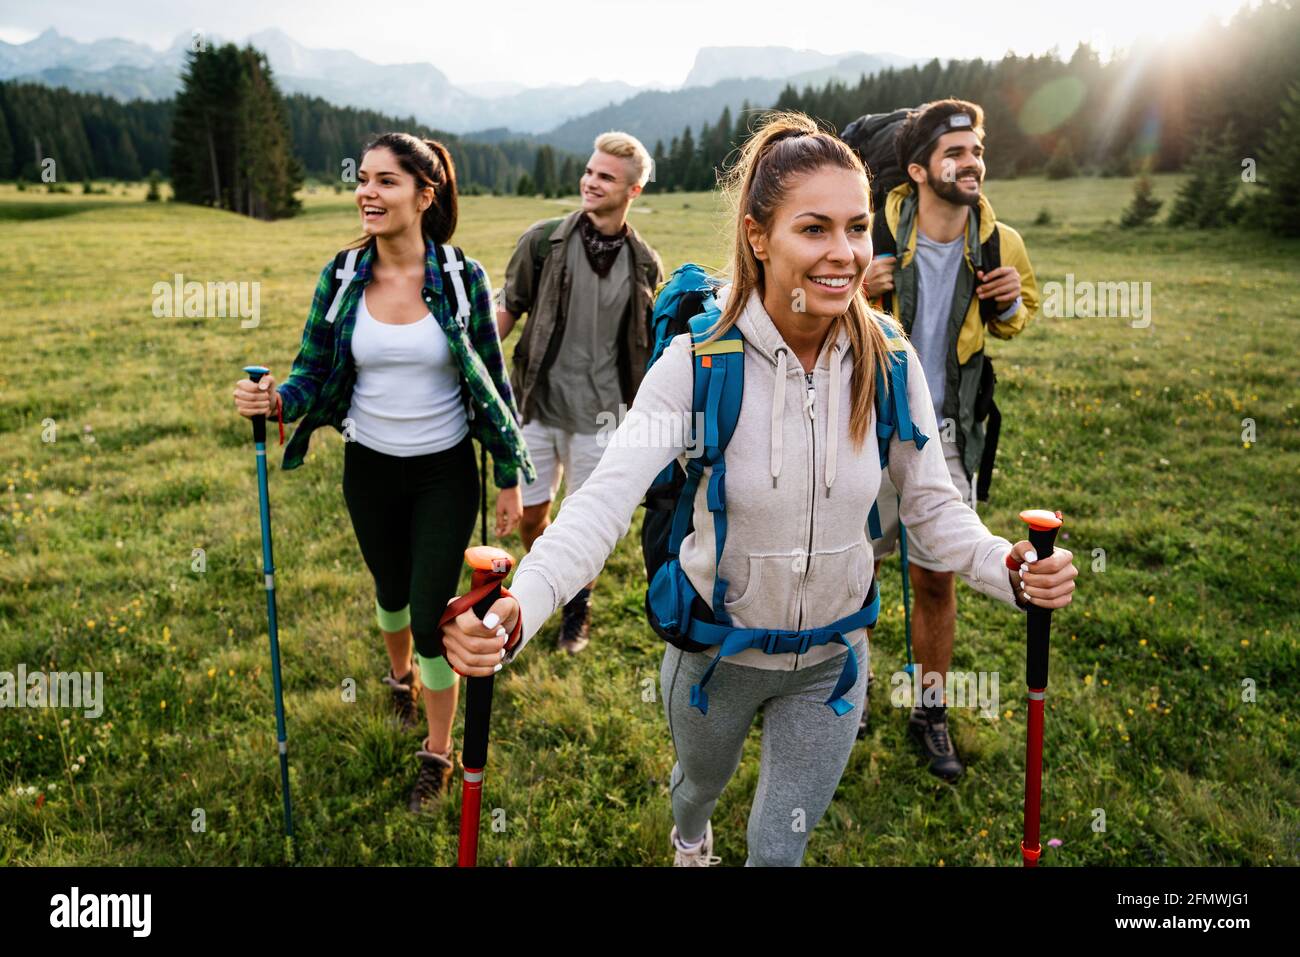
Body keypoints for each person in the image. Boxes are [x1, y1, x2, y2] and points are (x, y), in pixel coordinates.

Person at [442, 111, 1076, 867]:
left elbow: (933, 508)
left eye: (857, 227)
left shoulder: (890, 359)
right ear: (758, 237)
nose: (843, 253)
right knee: (696, 789)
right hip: (715, 660)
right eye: (814, 229)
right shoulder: (696, 363)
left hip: (833, 664)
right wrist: (520, 607)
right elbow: (601, 505)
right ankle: (690, 840)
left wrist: (1009, 567)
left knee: (779, 847)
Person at [231, 132, 534, 813]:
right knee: (390, 591)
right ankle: (400, 678)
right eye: (363, 179)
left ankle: (437, 752)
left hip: (444, 473)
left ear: (425, 195)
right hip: (368, 468)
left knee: (431, 616)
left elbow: (492, 380)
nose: (367, 192)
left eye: (385, 181)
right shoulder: (342, 275)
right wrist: (275, 402)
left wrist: (509, 475)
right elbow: (312, 371)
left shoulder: (460, 277)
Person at [862, 99, 1041, 780]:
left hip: (948, 435)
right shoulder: (871, 232)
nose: (972, 164)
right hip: (868, 425)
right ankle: (845, 695)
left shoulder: (999, 241)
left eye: (976, 152)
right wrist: (858, 286)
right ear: (918, 169)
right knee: (852, 571)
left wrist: (1008, 300)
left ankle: (929, 711)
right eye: (955, 153)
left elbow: (1015, 319)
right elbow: (812, 307)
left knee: (936, 579)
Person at [496, 131, 664, 653]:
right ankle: (547, 580)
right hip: (538, 407)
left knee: (585, 526)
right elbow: (508, 308)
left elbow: (651, 343)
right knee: (532, 516)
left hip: (603, 417)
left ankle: (576, 606)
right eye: (589, 171)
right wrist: (468, 360)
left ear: (633, 190)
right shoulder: (542, 242)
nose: (590, 182)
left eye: (605, 177)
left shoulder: (644, 263)